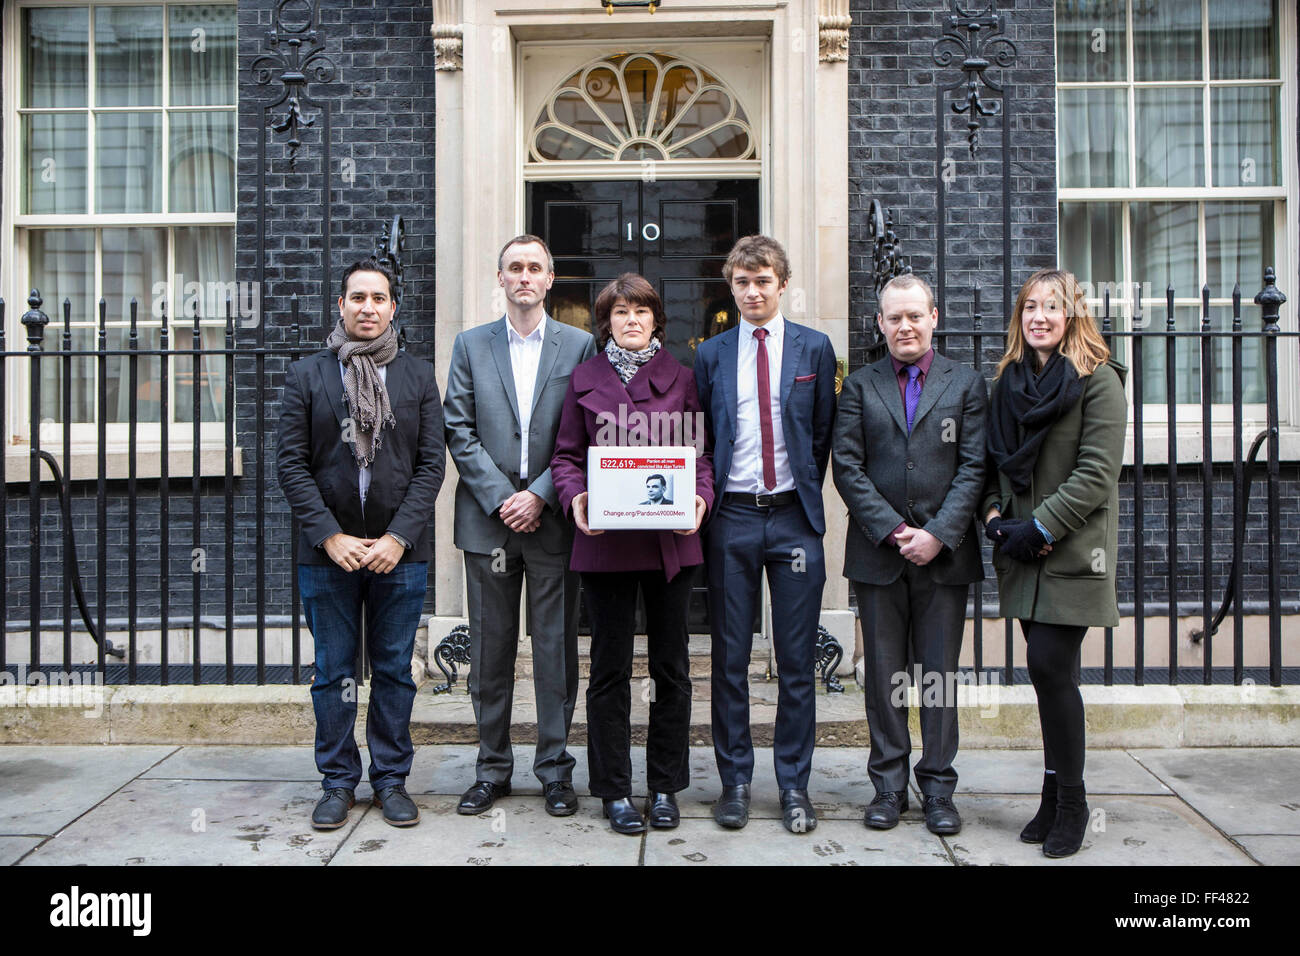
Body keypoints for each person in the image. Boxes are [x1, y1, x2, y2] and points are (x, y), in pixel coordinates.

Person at [276, 256, 445, 830]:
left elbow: (430, 465)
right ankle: (338, 781)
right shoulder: (308, 375)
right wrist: (330, 536)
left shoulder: (418, 376)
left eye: (378, 299)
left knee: (396, 670)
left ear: (393, 308)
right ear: (342, 305)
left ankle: (392, 779)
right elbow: (291, 465)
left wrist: (399, 537)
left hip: (400, 554)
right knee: (333, 671)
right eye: (357, 298)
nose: (368, 308)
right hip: (329, 556)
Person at [550, 273, 713, 835]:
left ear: (656, 319)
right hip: (606, 545)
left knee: (672, 669)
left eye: (641, 311)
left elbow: (702, 455)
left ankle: (665, 786)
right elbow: (566, 457)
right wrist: (575, 500)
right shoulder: (583, 379)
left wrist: (700, 497)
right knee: (609, 671)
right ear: (607, 323)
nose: (631, 320)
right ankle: (614, 790)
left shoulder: (683, 379)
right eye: (620, 312)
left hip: (670, 540)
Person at [443, 235, 596, 818]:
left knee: (555, 651)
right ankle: (491, 768)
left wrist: (538, 495)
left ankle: (555, 770)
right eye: (515, 268)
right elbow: (458, 428)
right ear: (500, 278)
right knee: (489, 652)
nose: (525, 277)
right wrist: (504, 497)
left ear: (551, 278)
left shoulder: (580, 345)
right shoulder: (469, 345)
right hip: (488, 523)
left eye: (535, 267)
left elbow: (581, 433)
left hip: (554, 521)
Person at [831, 273, 987, 836]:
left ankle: (939, 787)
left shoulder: (966, 384)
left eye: (914, 316)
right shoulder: (859, 385)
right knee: (883, 677)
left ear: (934, 317)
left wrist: (938, 534)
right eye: (894, 317)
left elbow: (975, 467)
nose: (905, 326)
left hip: (943, 559)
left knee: (938, 677)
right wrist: (896, 529)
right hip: (879, 555)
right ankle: (888, 787)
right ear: (880, 323)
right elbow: (846, 466)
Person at [693, 235, 838, 833]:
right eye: (742, 282)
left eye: (763, 281)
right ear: (731, 288)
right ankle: (735, 782)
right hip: (732, 517)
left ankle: (794, 786)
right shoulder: (711, 354)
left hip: (794, 518)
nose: (753, 291)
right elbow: (702, 432)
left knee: (797, 660)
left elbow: (823, 433)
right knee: (729, 658)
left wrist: (800, 491)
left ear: (782, 283)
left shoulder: (815, 348)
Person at [982, 268, 1126, 858]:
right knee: (1047, 678)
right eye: (1030, 306)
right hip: (1021, 551)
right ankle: (1051, 794)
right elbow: (993, 463)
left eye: (1052, 306)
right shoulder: (1010, 382)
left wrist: (1041, 526)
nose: (1039, 316)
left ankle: (1074, 801)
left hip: (1069, 550)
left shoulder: (1099, 382)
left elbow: (1097, 473)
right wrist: (995, 519)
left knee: (1050, 667)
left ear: (1073, 314)